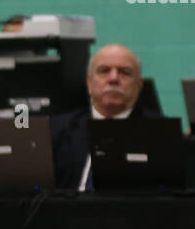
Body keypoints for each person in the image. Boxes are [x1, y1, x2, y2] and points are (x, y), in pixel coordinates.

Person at [49, 43, 158, 191]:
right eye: (104, 71)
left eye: (124, 72)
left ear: (139, 86)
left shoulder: (158, 133)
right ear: (89, 83)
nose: (113, 78)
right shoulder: (56, 130)